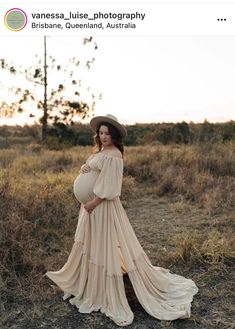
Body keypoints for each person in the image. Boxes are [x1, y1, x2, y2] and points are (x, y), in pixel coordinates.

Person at [45, 114, 198, 327]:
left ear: (114, 135)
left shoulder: (115, 154)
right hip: (90, 207)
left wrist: (93, 201)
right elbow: (97, 172)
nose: (104, 136)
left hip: (101, 206)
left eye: (108, 133)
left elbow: (112, 186)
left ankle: (105, 283)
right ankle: (91, 281)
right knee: (93, 242)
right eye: (101, 132)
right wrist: (86, 169)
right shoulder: (101, 151)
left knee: (103, 241)